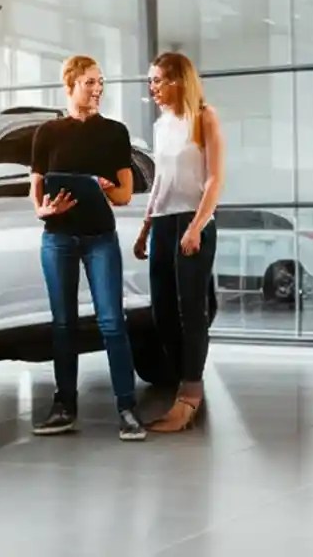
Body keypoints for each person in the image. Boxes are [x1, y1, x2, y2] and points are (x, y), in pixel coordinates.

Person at [31, 55, 146, 442]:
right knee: (62, 324)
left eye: (101, 83)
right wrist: (46, 209)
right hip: (58, 236)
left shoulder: (114, 132)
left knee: (112, 321)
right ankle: (64, 406)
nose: (97, 90)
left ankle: (127, 408)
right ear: (70, 84)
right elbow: (36, 194)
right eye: (90, 83)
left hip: (100, 237)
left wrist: (102, 186)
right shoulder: (47, 133)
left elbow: (126, 194)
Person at [133, 51, 225, 433]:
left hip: (194, 221)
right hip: (166, 223)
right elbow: (160, 181)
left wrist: (197, 226)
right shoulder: (161, 125)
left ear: (178, 80)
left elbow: (214, 180)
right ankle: (183, 377)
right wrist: (145, 227)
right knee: (163, 313)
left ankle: (189, 394)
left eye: (157, 80)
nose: (152, 87)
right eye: (151, 80)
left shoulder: (204, 117)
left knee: (192, 312)